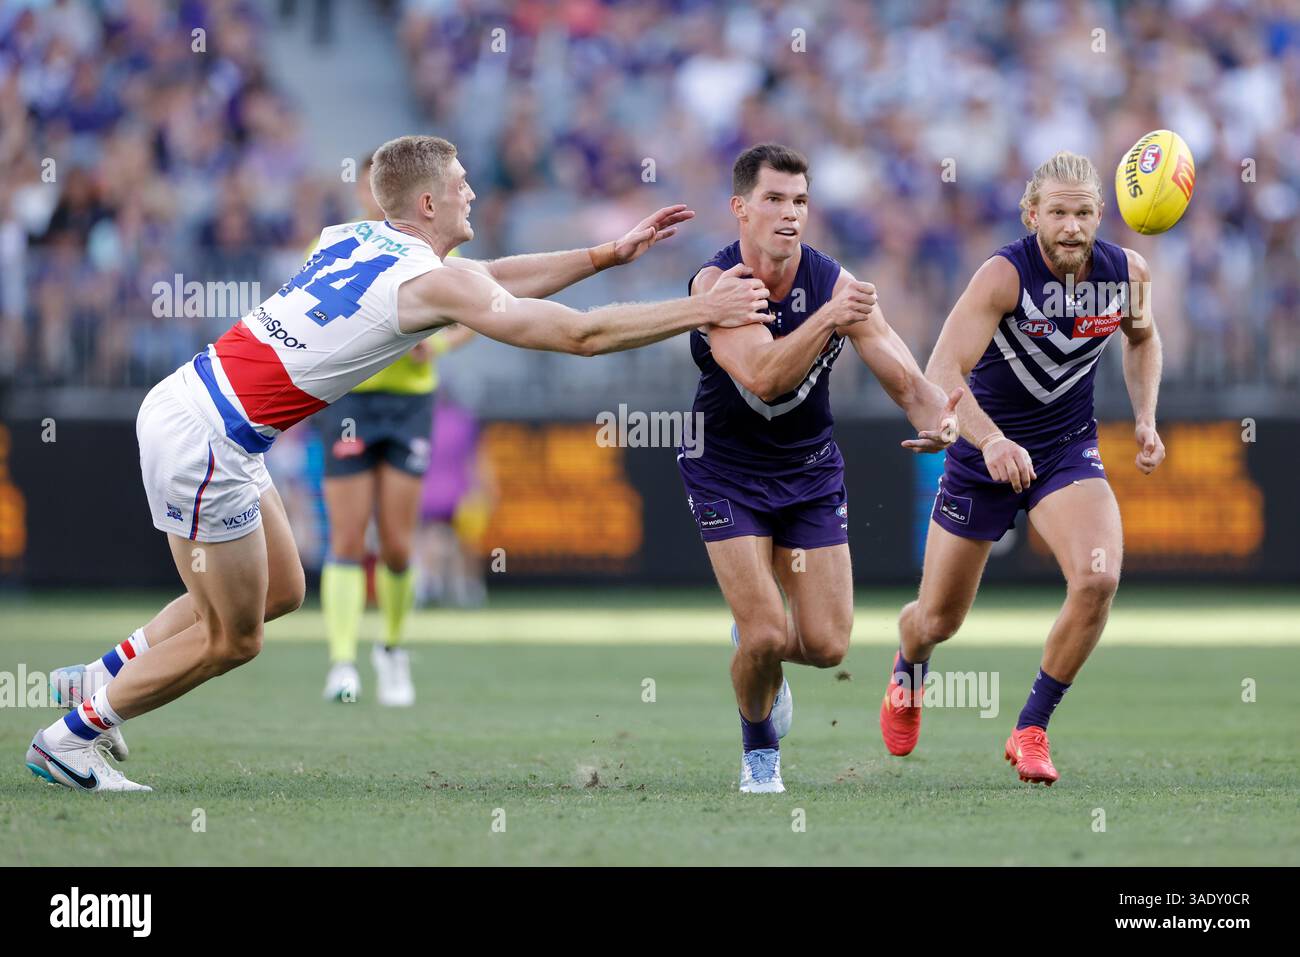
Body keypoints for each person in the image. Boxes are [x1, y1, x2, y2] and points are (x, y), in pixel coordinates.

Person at [29, 134, 769, 793]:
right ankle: (72, 737)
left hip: (200, 406)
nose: (472, 191)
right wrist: (699, 309)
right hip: (209, 437)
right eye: (460, 183)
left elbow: (487, 280)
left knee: (282, 590)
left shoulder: (351, 235)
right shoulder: (424, 279)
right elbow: (577, 337)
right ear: (427, 201)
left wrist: (602, 256)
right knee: (236, 636)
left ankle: (104, 673)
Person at [680, 144, 960, 794]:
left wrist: (938, 420)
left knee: (829, 644)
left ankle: (754, 644)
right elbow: (764, 376)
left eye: (800, 201)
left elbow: (900, 370)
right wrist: (829, 318)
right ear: (740, 210)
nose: (789, 214)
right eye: (774, 200)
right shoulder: (716, 285)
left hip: (808, 472)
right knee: (768, 631)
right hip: (726, 472)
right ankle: (759, 756)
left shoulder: (831, 280)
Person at [879, 151, 1165, 786]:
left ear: (1100, 216)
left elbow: (1142, 339)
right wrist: (991, 442)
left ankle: (1031, 728)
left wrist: (1145, 416)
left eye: (1084, 212)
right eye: (1058, 212)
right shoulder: (1004, 275)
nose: (1071, 226)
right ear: (1032, 214)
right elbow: (942, 371)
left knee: (1097, 579)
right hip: (984, 455)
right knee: (938, 621)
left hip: (1065, 449)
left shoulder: (1126, 273)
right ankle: (908, 661)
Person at [315, 153, 473, 707]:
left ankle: (392, 647)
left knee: (400, 544)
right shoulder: (338, 241)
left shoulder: (433, 252)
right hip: (351, 400)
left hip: (408, 404)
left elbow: (475, 317)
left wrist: (441, 344)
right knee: (348, 538)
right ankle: (341, 660)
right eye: (365, 190)